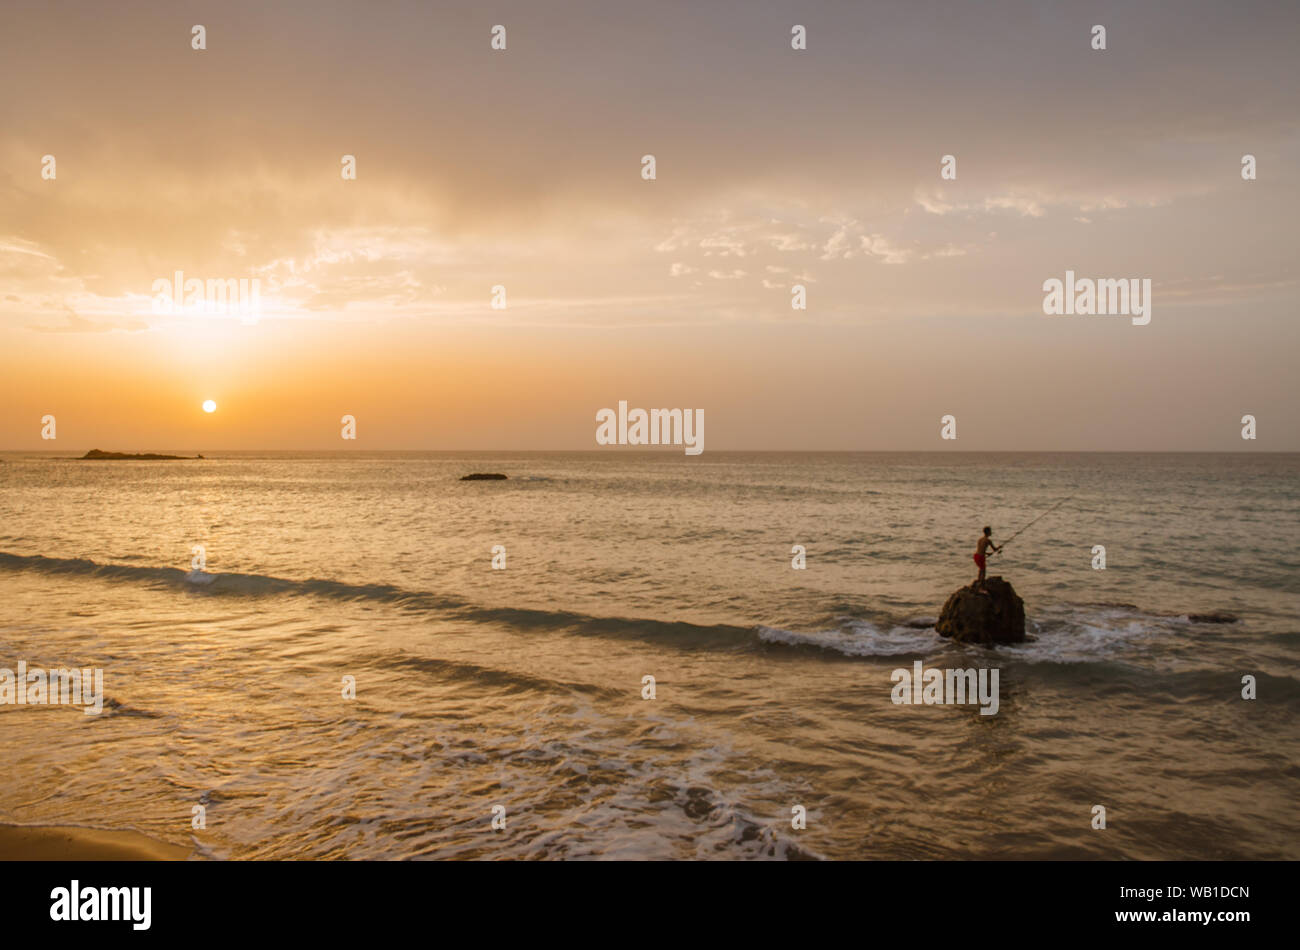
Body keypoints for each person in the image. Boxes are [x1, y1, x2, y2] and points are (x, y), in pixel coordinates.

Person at [972, 526, 1001, 591]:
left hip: (976, 556)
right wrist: (999, 547)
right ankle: (981, 588)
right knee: (983, 572)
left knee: (981, 570)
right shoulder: (988, 540)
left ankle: (978, 582)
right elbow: (995, 549)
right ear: (988, 532)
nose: (991, 532)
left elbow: (981, 549)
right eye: (990, 531)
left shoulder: (980, 539)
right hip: (981, 557)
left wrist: (987, 553)